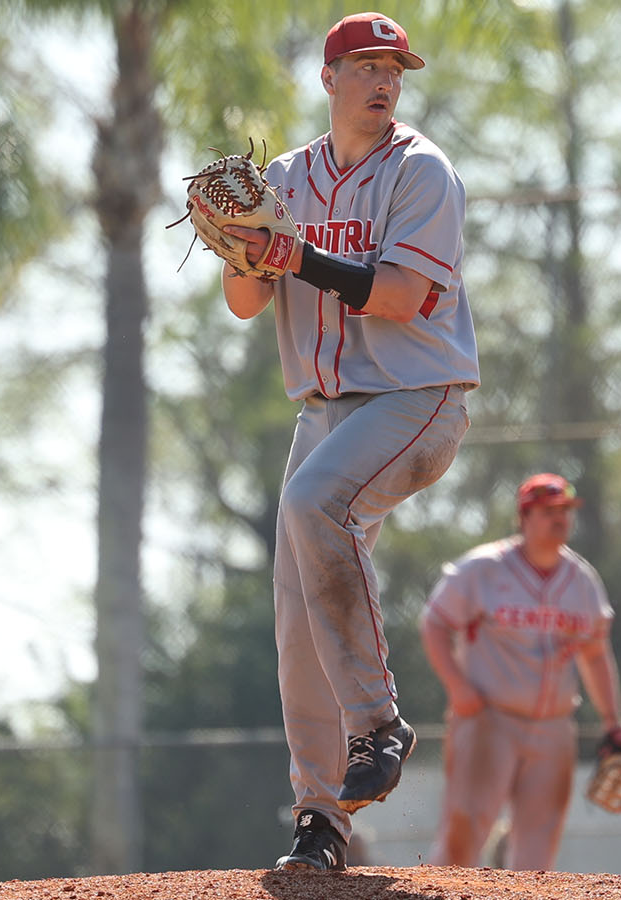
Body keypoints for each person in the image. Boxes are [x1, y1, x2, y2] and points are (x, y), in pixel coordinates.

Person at [216, 11, 479, 874]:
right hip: (325, 413)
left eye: (394, 68)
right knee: (296, 618)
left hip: (416, 398)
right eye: (365, 65)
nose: (383, 81)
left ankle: (379, 723)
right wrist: (245, 250)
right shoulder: (286, 177)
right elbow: (245, 305)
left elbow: (400, 297)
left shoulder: (422, 171)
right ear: (329, 79)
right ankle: (321, 821)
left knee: (312, 502)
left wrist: (291, 256)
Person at [420, 473, 621, 871]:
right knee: (462, 838)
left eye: (565, 511)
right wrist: (457, 687)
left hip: (553, 728)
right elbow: (434, 622)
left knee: (539, 852)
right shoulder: (484, 568)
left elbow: (594, 653)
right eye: (549, 511)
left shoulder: (582, 581)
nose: (560, 519)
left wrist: (612, 721)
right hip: (489, 720)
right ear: (525, 516)